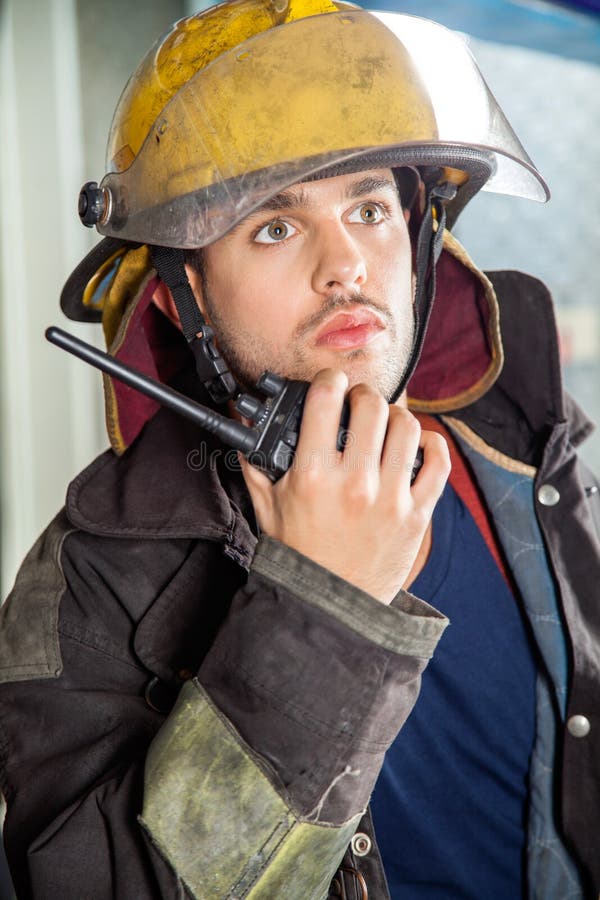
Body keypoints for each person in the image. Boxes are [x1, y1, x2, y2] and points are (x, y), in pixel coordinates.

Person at [1, 1, 599, 897]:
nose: (345, 265)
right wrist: (324, 607)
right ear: (180, 299)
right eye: (275, 227)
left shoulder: (524, 438)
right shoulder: (91, 580)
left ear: (422, 240)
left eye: (370, 206)